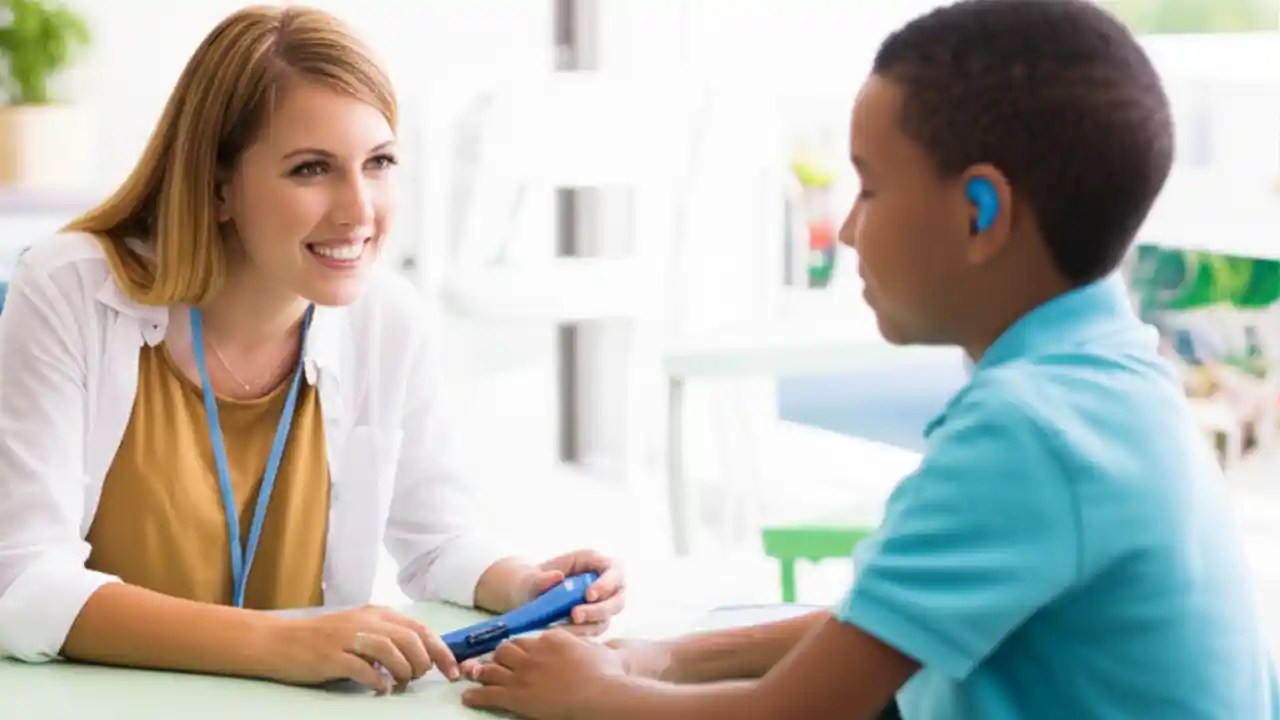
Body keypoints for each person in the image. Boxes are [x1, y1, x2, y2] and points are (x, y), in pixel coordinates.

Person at [460, 1, 1280, 718]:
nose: (848, 229)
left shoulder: (1030, 432)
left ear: (979, 213)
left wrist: (594, 697)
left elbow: (795, 713)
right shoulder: (1112, 376)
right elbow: (887, 627)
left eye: (869, 188)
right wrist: (656, 658)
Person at [0, 4, 624, 694]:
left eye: (379, 162)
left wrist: (528, 586)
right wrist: (281, 642)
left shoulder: (388, 319)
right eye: (311, 169)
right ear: (218, 187)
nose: (359, 210)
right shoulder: (69, 289)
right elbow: (24, 580)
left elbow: (439, 539)